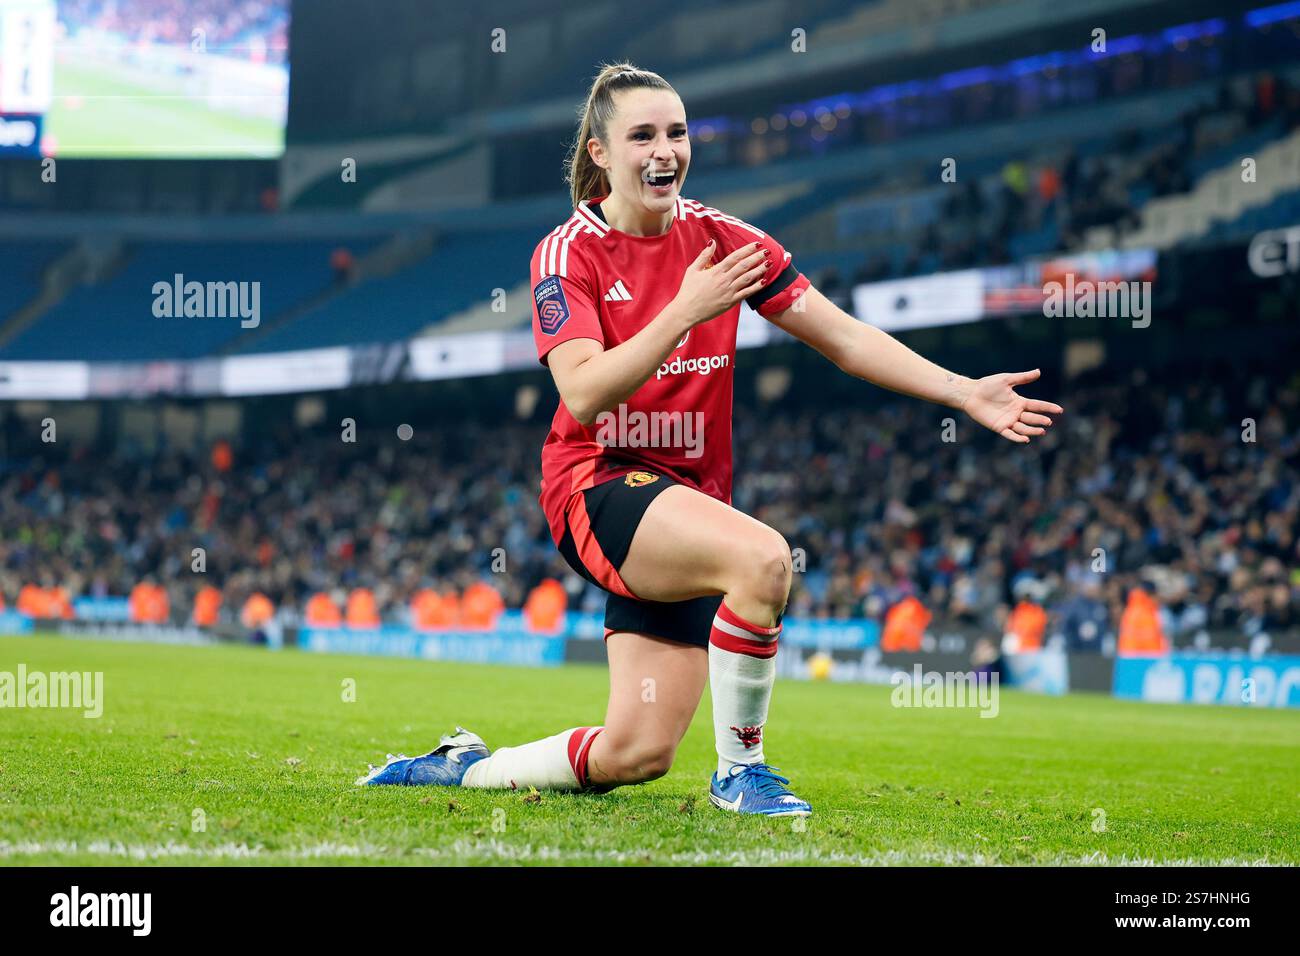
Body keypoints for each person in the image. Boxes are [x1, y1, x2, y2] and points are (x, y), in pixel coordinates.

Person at [360, 63, 1062, 816]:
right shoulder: (567, 254)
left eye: (678, 132)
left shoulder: (727, 240)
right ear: (599, 152)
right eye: (642, 136)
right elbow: (585, 391)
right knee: (762, 559)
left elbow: (846, 339)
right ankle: (741, 774)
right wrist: (686, 309)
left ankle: (461, 767)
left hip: (685, 503)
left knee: (636, 753)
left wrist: (963, 390)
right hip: (596, 485)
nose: (665, 150)